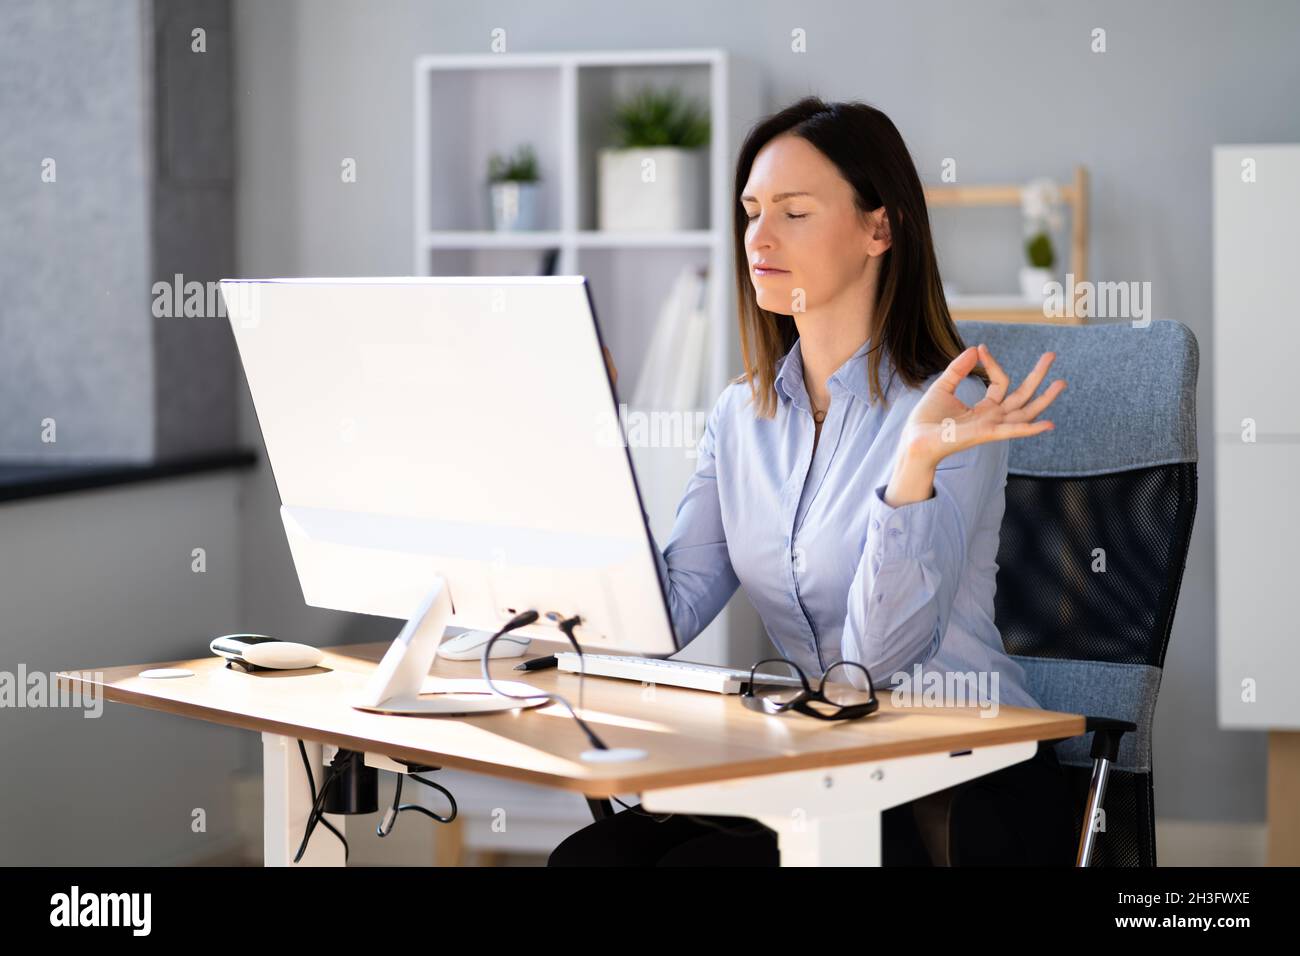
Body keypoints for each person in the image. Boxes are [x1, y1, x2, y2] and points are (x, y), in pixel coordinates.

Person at [550, 97, 1073, 866]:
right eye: (751, 211)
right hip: (818, 769)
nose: (758, 238)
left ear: (879, 229)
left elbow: (876, 664)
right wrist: (586, 455)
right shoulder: (741, 415)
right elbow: (666, 610)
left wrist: (913, 470)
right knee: (589, 862)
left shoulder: (949, 418)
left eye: (793, 212)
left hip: (953, 784)